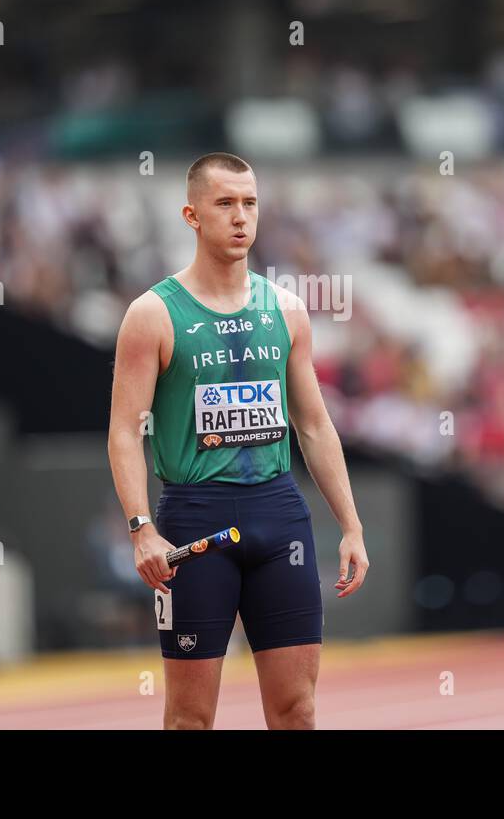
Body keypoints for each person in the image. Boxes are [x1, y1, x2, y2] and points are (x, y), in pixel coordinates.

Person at [108, 152, 369, 729]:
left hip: (279, 517)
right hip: (194, 524)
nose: (240, 217)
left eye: (249, 203)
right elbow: (125, 430)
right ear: (192, 214)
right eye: (224, 203)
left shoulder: (287, 309)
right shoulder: (152, 314)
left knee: (296, 711)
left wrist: (350, 524)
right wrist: (139, 527)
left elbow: (315, 425)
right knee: (190, 718)